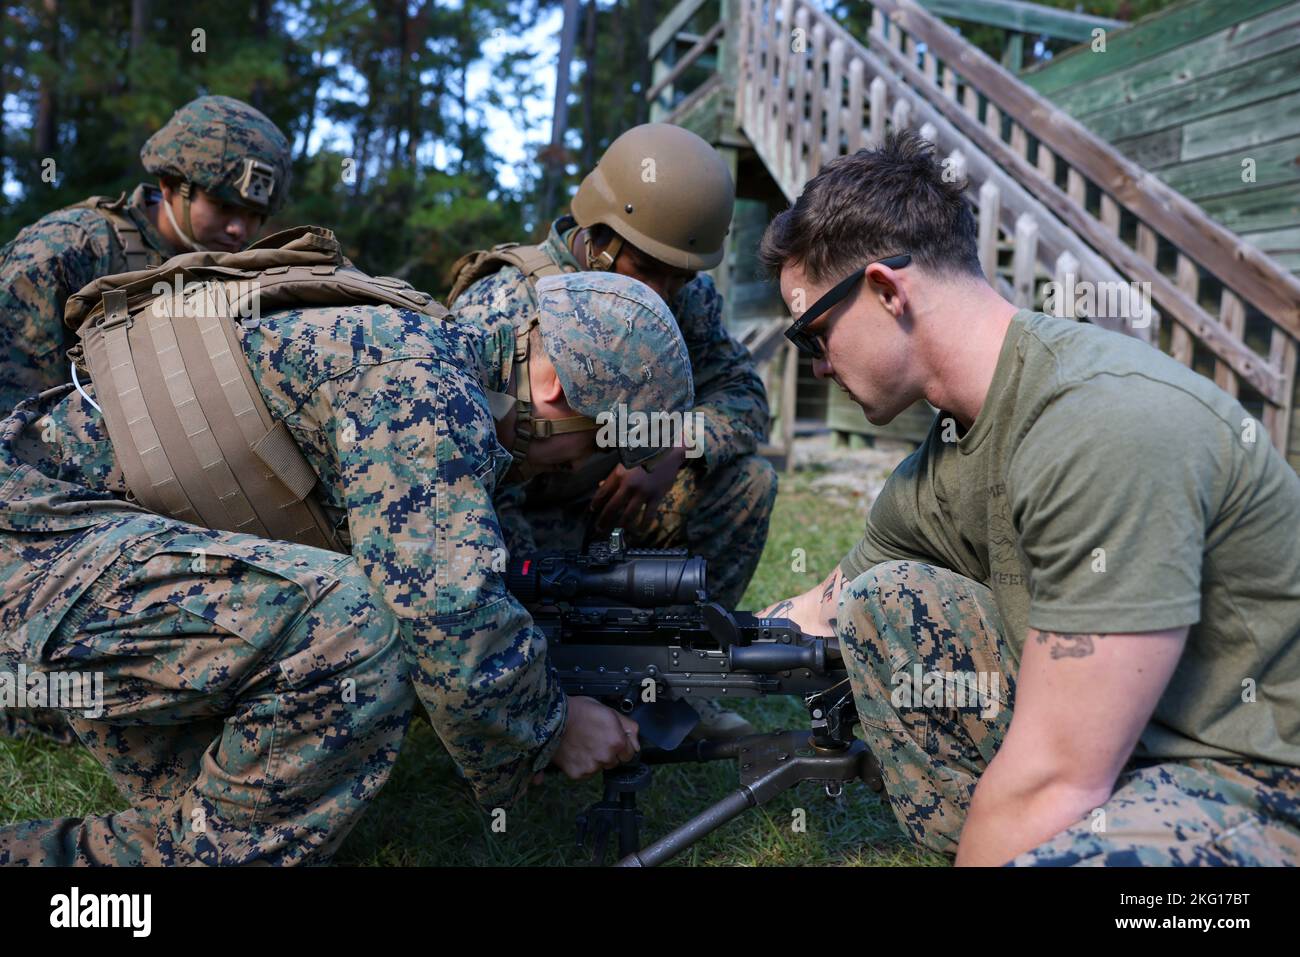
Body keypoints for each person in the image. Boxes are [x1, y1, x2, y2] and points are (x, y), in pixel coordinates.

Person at [0, 226, 694, 865]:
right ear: (554, 386)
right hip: (36, 541)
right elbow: (446, 615)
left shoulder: (426, 352)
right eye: (600, 443)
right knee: (354, 626)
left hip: (75, 545)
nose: (586, 468)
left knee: (269, 798)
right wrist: (551, 723)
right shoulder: (427, 388)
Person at [757, 131, 1300, 866]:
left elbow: (1059, 780)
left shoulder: (1103, 423)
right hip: (1126, 757)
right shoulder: (952, 449)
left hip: (1258, 781)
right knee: (887, 596)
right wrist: (695, 641)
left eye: (812, 334)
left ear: (887, 290)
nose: (817, 366)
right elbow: (832, 600)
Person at [449, 123, 778, 740]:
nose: (661, 293)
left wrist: (668, 448)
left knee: (748, 483)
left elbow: (745, 396)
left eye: (677, 278)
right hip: (511, 523)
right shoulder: (506, 307)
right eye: (649, 270)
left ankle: (678, 674)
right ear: (599, 236)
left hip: (617, 507)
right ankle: (549, 690)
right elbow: (468, 484)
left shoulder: (683, 293)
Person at [0, 94, 291, 743]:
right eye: (225, 207)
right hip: (44, 509)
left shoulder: (229, 277)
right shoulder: (68, 251)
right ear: (169, 188)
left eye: (255, 215)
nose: (241, 230)